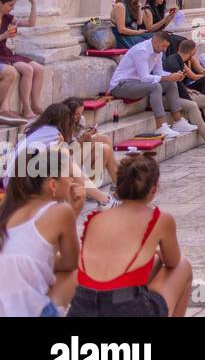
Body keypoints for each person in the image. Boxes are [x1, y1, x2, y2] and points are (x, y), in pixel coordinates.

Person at [67, 154, 192, 317]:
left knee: (151, 262)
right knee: (183, 266)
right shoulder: (160, 219)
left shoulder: (96, 218)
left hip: (82, 306)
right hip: (125, 308)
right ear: (154, 189)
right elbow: (173, 261)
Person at [0, 144, 81, 316]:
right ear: (53, 184)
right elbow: (71, 262)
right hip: (27, 311)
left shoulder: (6, 210)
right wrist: (75, 211)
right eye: (69, 177)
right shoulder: (61, 211)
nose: (72, 182)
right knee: (77, 271)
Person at [107, 32, 194, 139]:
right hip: (121, 85)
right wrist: (166, 77)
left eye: (166, 46)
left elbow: (158, 72)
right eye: (163, 46)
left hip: (137, 83)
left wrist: (172, 76)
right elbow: (144, 77)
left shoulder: (158, 51)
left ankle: (178, 121)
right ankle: (160, 126)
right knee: (156, 87)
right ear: (155, 41)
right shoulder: (141, 51)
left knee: (171, 82)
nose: (165, 49)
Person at [0, 0, 44, 118]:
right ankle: (26, 107)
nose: (12, 8)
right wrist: (4, 35)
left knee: (39, 69)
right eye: (10, 5)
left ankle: (35, 105)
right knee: (28, 69)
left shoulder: (7, 17)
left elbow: (31, 23)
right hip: (1, 55)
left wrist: (33, 4)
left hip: (5, 51)